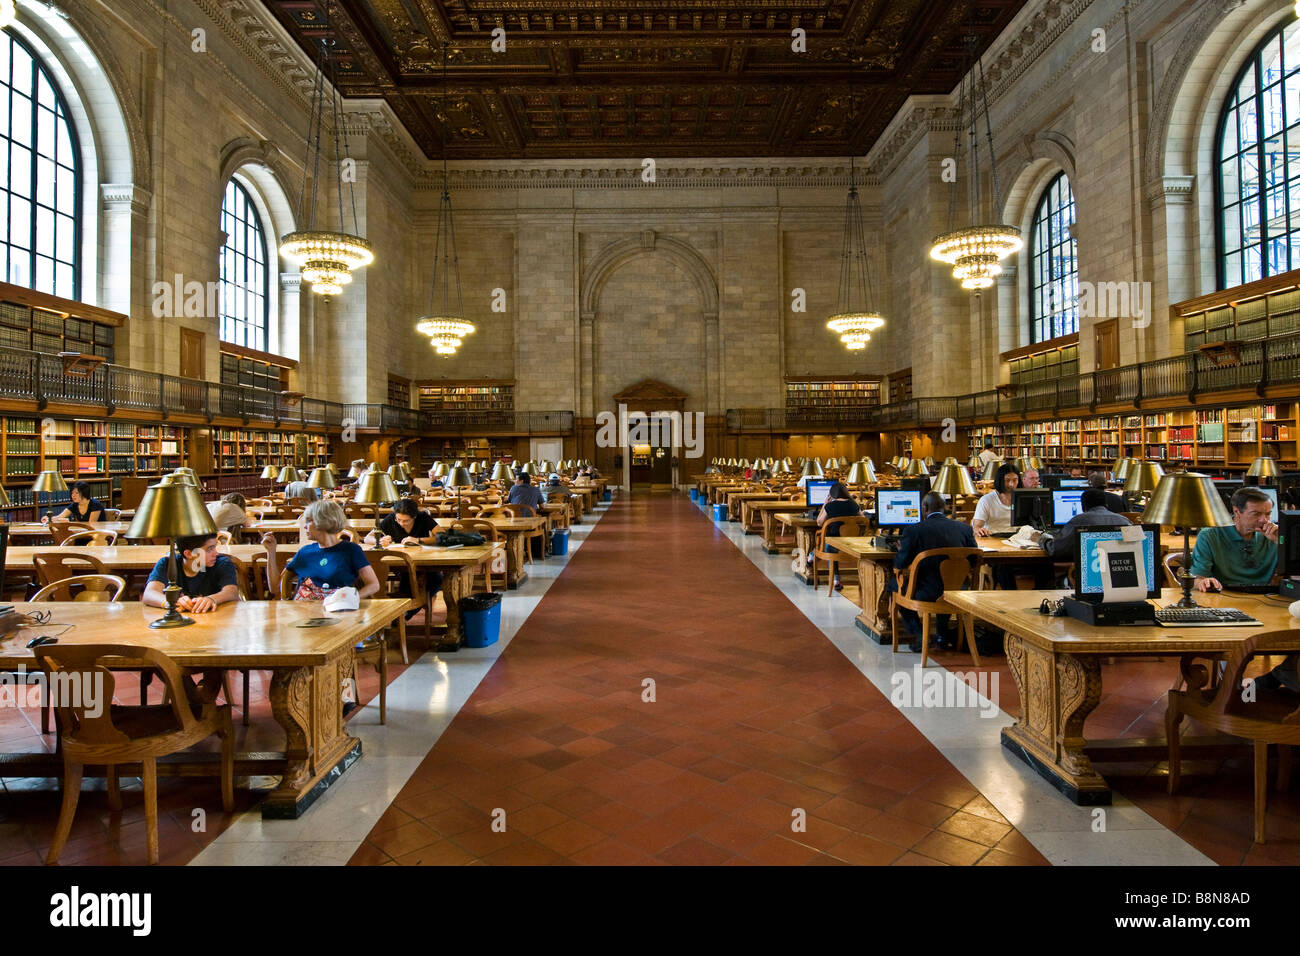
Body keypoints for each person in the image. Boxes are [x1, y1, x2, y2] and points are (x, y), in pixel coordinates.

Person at [885, 492, 977, 652]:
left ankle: (920, 635)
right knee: (945, 584)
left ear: (924, 508)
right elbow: (974, 560)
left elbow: (900, 564)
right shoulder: (965, 529)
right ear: (945, 508)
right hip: (958, 591)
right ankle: (941, 634)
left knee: (894, 586)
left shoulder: (914, 531)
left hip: (926, 593)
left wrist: (902, 550)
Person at [262, 499, 380, 601]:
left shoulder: (351, 550)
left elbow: (373, 585)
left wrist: (353, 598)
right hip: (304, 613)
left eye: (309, 521)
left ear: (324, 521)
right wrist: (271, 552)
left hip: (338, 612)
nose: (304, 526)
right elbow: (275, 587)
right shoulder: (304, 552)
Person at [1189, 487, 1278, 591]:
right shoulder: (1210, 535)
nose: (1264, 520)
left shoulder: (1273, 534)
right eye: (1256, 514)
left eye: (1268, 514)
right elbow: (1197, 578)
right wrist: (1203, 582)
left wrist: (1281, 541)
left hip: (1264, 597)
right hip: (1224, 596)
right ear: (1236, 511)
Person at [142, 533, 239, 613]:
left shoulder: (222, 563)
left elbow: (231, 592)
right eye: (210, 549)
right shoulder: (168, 564)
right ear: (189, 554)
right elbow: (149, 593)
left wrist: (212, 599)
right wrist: (171, 603)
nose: (216, 553)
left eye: (215, 547)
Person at [1034, 489, 1131, 561]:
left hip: (1088, 573)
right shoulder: (1124, 521)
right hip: (1118, 572)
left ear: (1083, 506)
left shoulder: (1079, 521)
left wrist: (1041, 538)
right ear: (1106, 504)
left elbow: (1055, 549)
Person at [815, 482, 862, 591]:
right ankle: (812, 557)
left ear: (831, 494)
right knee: (829, 544)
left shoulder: (830, 506)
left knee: (827, 544)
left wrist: (824, 505)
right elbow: (863, 519)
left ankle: (812, 558)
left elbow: (819, 522)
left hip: (834, 546)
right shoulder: (854, 505)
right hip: (853, 544)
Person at [364, 498, 437, 548]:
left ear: (414, 516)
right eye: (398, 519)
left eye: (406, 521)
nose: (401, 523)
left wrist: (419, 540)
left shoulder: (423, 517)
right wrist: (379, 541)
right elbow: (367, 538)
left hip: (421, 558)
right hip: (397, 559)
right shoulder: (391, 518)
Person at [972, 464, 1019, 537]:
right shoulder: (986, 500)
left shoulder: (1021, 499)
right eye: (1007, 480)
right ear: (1000, 480)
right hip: (993, 538)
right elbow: (977, 527)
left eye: (1015, 480)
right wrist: (978, 530)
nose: (1011, 484)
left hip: (1018, 538)